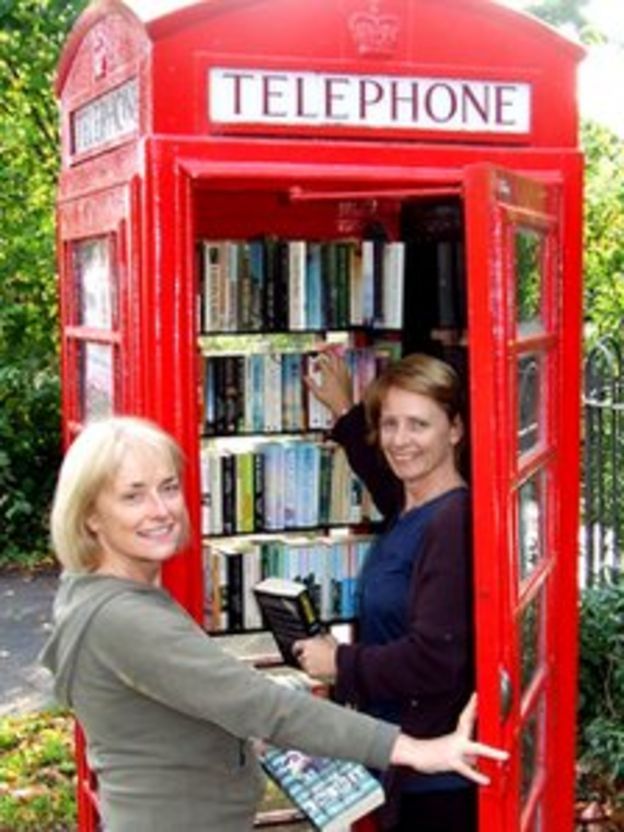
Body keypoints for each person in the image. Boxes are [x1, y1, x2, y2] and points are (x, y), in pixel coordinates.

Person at [40, 416, 506, 832]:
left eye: (168, 486)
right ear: (91, 518)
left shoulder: (102, 593)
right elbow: (260, 705)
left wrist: (238, 747)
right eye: (133, 496)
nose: (161, 509)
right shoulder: (124, 618)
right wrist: (416, 750)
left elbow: (179, 708)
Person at [296, 350, 475, 832]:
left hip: (434, 783)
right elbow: (384, 477)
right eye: (390, 423)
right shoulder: (413, 505)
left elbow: (437, 660)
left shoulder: (453, 525)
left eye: (418, 425)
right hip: (394, 759)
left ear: (454, 429)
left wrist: (339, 663)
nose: (400, 440)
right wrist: (346, 412)